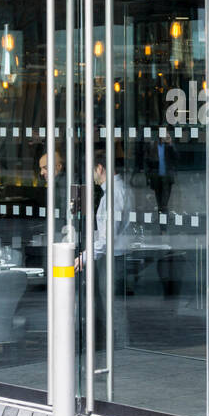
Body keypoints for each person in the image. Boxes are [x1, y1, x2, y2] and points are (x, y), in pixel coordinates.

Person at [76, 148, 130, 349]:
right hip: (115, 255)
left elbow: (108, 237)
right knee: (113, 306)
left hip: (112, 258)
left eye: (92, 171)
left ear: (100, 168)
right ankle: (118, 347)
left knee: (112, 307)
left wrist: (85, 256)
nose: (91, 177)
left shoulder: (112, 195)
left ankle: (121, 348)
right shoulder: (118, 190)